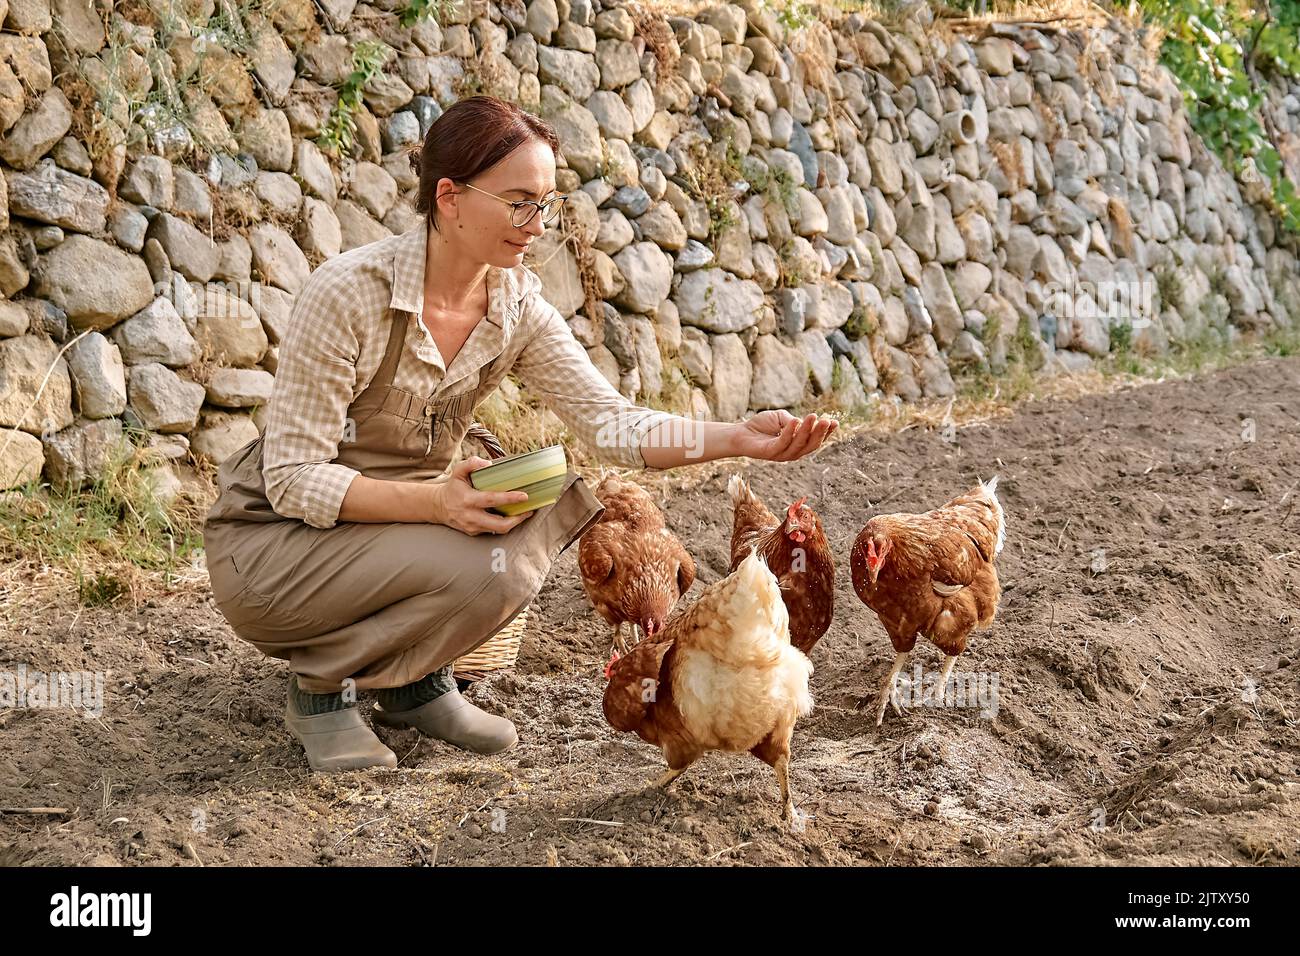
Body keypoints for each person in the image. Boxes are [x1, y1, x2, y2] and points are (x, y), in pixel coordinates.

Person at [201, 95, 837, 773]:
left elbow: (613, 423)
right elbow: (294, 478)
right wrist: (438, 503)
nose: (538, 224)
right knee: (472, 540)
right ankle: (322, 694)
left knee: (536, 522)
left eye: (546, 203)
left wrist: (739, 437)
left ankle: (414, 684)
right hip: (276, 547)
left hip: (386, 535)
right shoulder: (349, 294)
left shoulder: (514, 305)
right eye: (519, 202)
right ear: (450, 197)